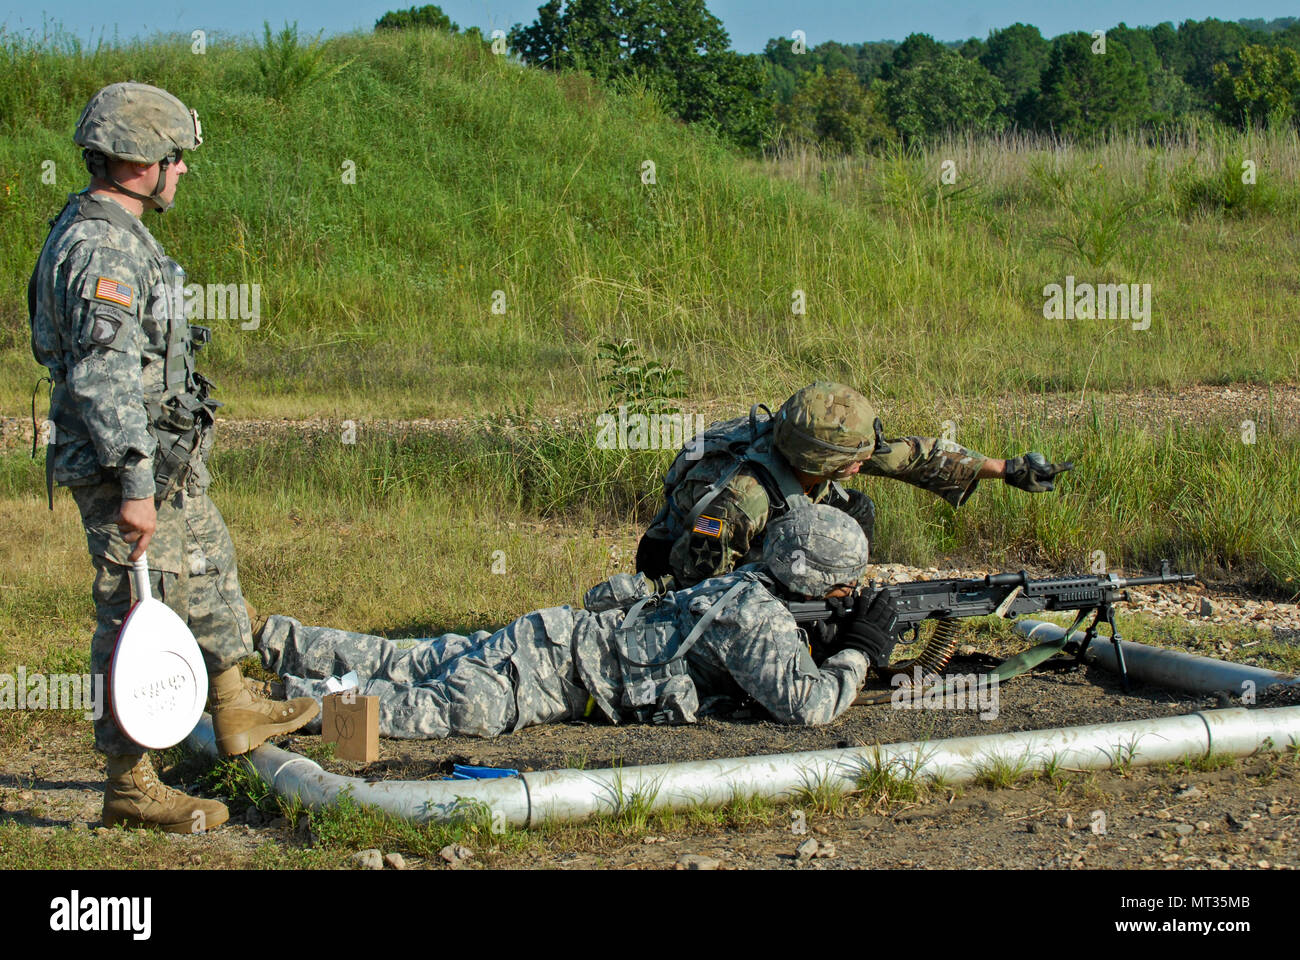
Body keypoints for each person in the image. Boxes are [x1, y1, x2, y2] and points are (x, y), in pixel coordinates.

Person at [29, 82, 319, 833]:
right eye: (176, 157)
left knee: (210, 570)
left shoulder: (118, 233)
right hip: (126, 464)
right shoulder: (101, 248)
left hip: (167, 458)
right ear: (141, 159)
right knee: (132, 615)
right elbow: (103, 375)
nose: (184, 170)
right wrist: (133, 483)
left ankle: (231, 703)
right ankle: (129, 781)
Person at [257, 501, 896, 738]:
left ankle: (268, 639)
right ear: (814, 578)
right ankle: (287, 704)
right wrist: (859, 650)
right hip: (546, 676)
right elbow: (806, 707)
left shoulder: (741, 585)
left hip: (549, 638)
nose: (848, 593)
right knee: (414, 710)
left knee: (406, 659)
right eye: (843, 584)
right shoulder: (758, 618)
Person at [635, 381, 1072, 589]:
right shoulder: (740, 501)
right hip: (685, 563)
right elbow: (697, 587)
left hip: (752, 533)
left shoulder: (814, 442)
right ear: (821, 461)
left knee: (856, 509)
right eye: (853, 461)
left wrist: (1008, 469)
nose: (862, 466)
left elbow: (914, 457)